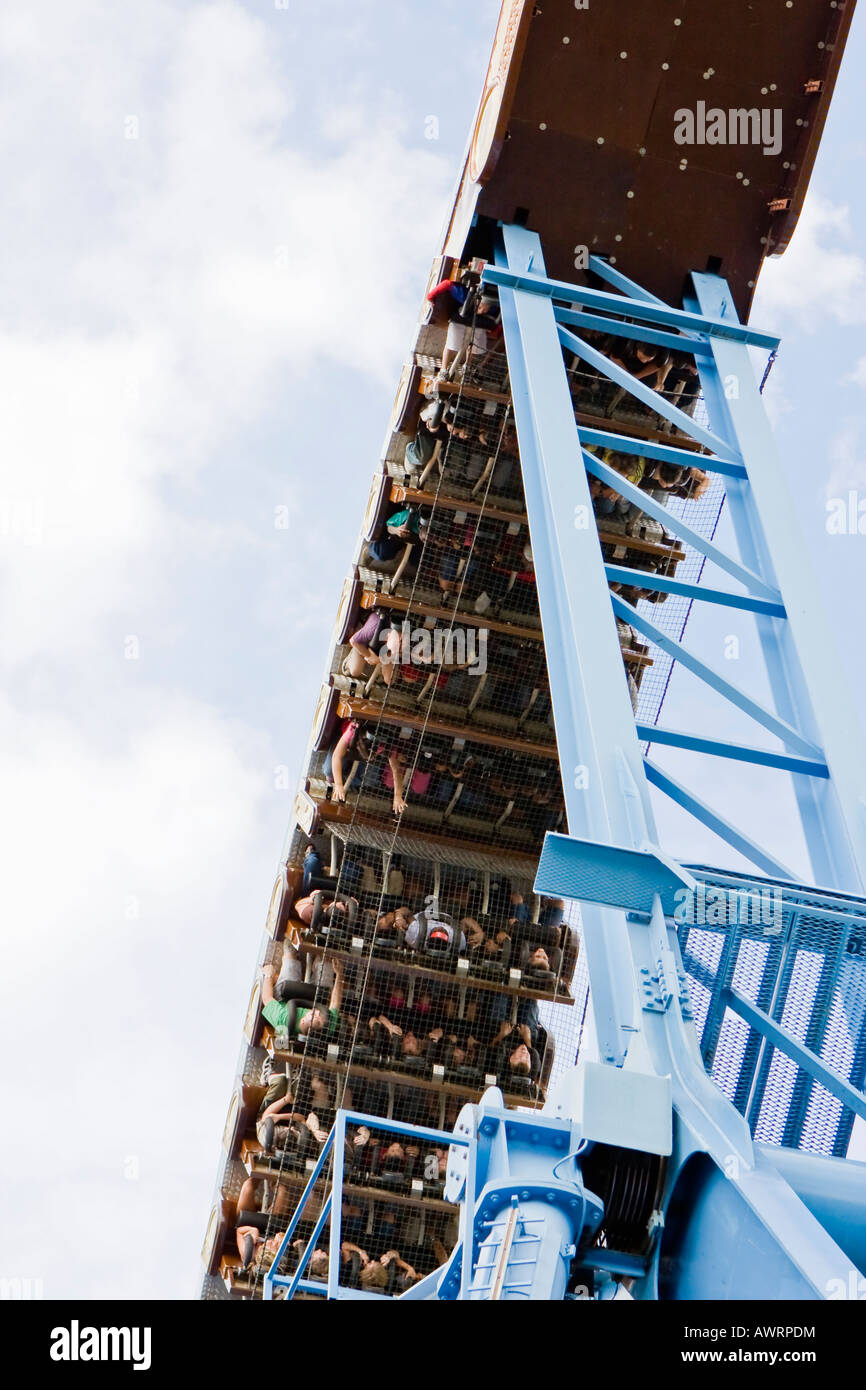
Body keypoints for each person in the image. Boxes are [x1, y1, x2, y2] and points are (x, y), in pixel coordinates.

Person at [261, 947, 344, 1040]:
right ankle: (318, 962)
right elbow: (335, 1002)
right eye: (319, 1014)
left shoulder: (282, 1020)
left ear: (303, 1021)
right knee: (328, 958)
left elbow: (266, 998)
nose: (317, 1012)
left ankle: (290, 958)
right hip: (316, 995)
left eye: (313, 1016)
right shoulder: (327, 1023)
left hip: (286, 995)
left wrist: (268, 975)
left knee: (290, 950)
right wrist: (339, 974)